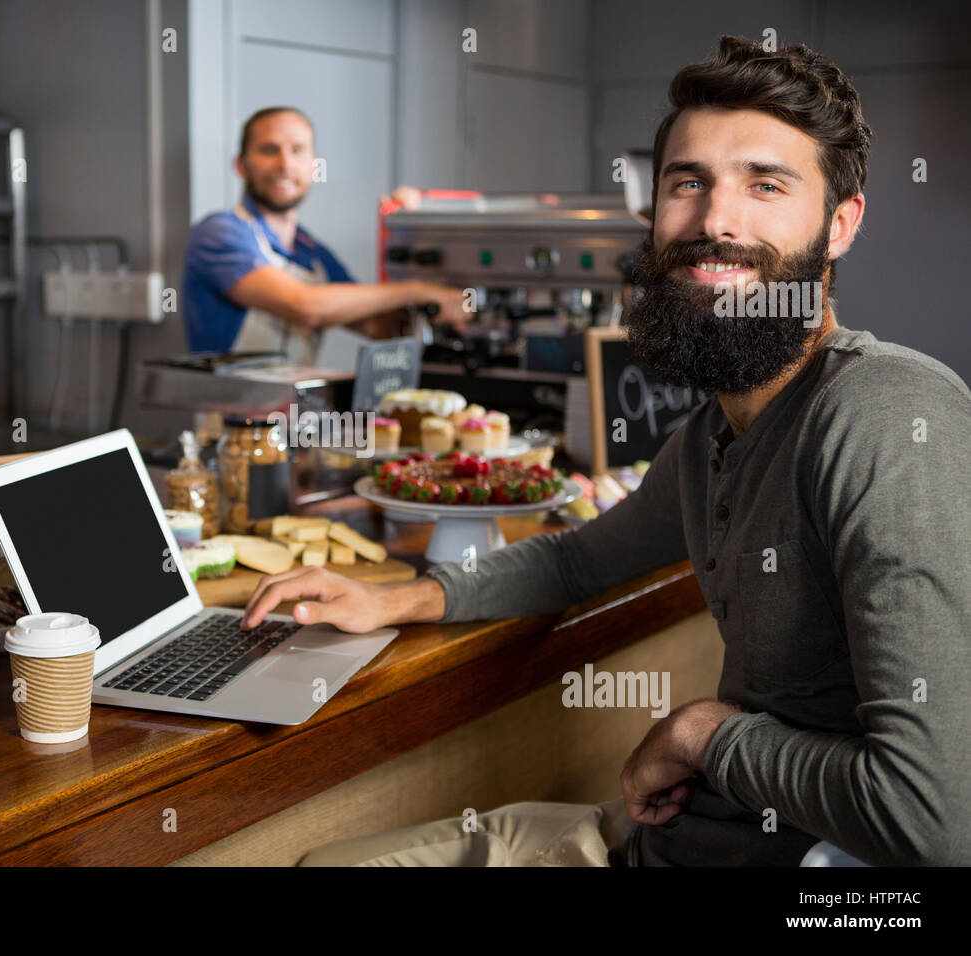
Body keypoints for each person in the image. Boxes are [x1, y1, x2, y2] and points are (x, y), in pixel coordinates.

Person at [239, 35, 971, 866]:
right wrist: (399, 600)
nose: (715, 221)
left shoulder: (884, 413)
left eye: (766, 185)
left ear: (841, 225)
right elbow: (580, 561)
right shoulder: (710, 437)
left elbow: (935, 820)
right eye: (687, 183)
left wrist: (705, 733)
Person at [181, 106, 469, 364]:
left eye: (297, 150)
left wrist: (414, 231)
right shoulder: (220, 233)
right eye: (269, 150)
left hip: (297, 417)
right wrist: (417, 289)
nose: (285, 164)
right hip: (228, 419)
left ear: (313, 168)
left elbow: (377, 327)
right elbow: (307, 306)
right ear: (241, 165)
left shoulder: (313, 252)